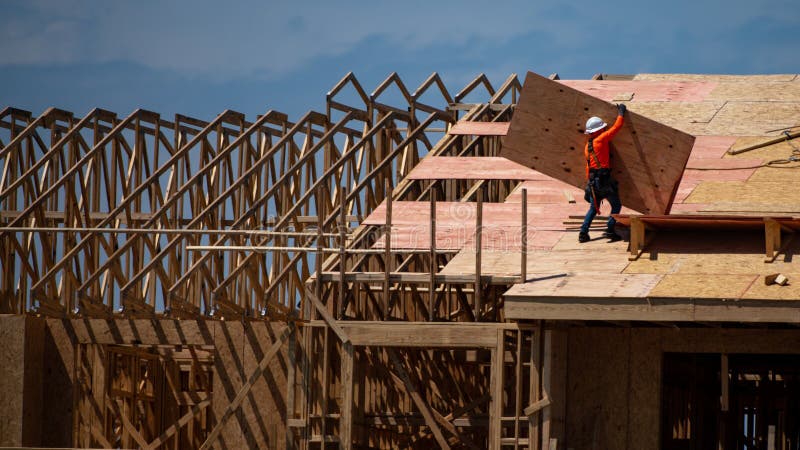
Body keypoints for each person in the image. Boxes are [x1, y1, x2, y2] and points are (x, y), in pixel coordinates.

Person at [578, 103, 626, 243]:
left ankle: (583, 232)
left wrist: (590, 185)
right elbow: (616, 128)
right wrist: (621, 113)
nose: (605, 129)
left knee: (594, 207)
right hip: (604, 180)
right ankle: (610, 229)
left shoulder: (588, 146)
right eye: (602, 128)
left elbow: (588, 167)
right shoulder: (601, 139)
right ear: (598, 130)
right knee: (616, 205)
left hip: (593, 182)